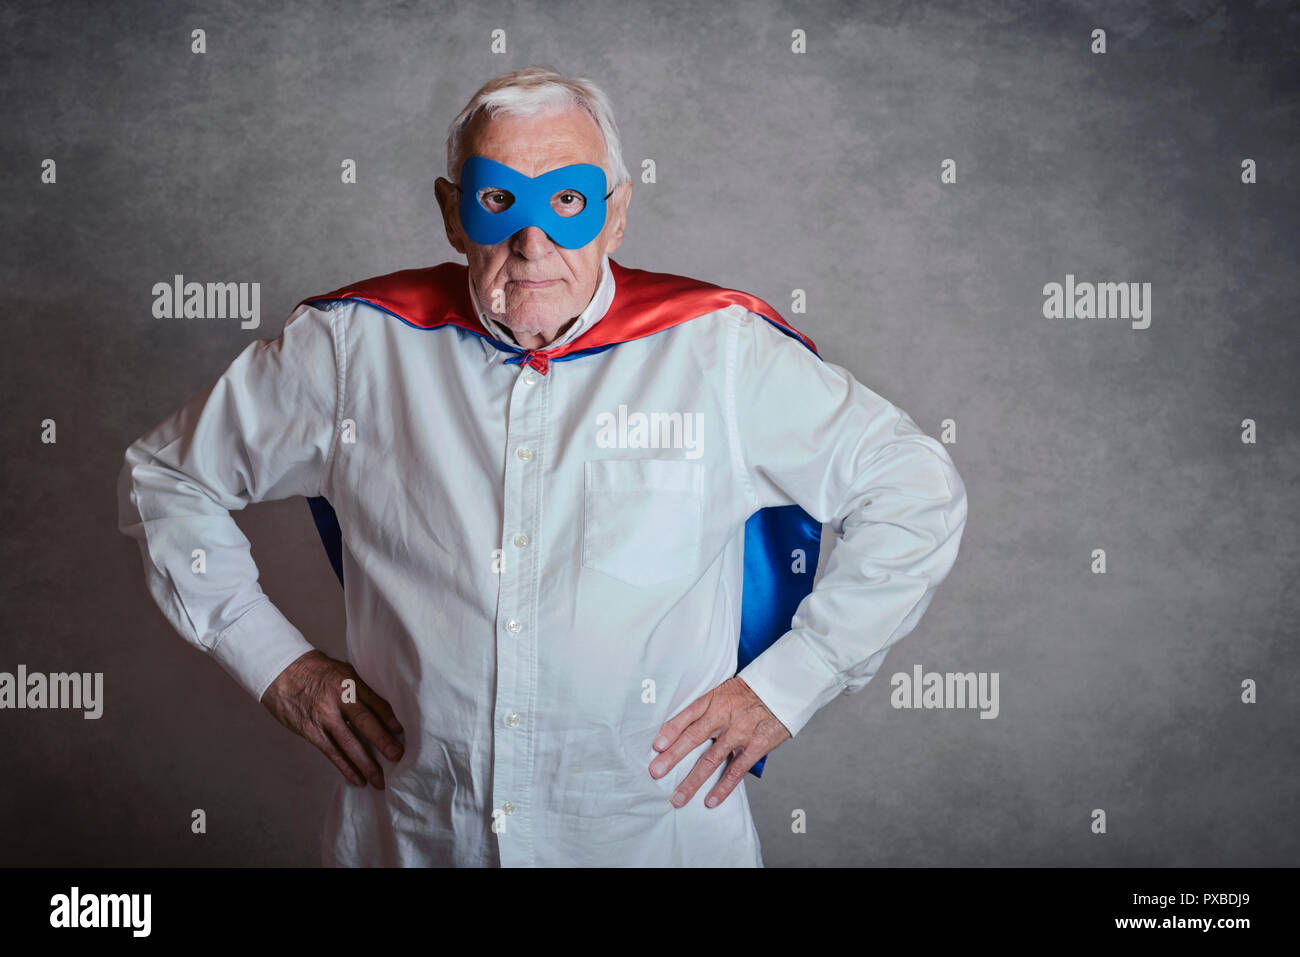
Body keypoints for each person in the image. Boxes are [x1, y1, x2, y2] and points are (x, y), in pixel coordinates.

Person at [118, 65, 968, 866]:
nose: (531, 242)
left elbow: (914, 489)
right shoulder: (351, 349)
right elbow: (167, 477)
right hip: (417, 837)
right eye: (498, 202)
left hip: (652, 842)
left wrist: (797, 678)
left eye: (568, 199)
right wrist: (279, 666)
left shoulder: (721, 355)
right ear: (453, 214)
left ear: (619, 212)